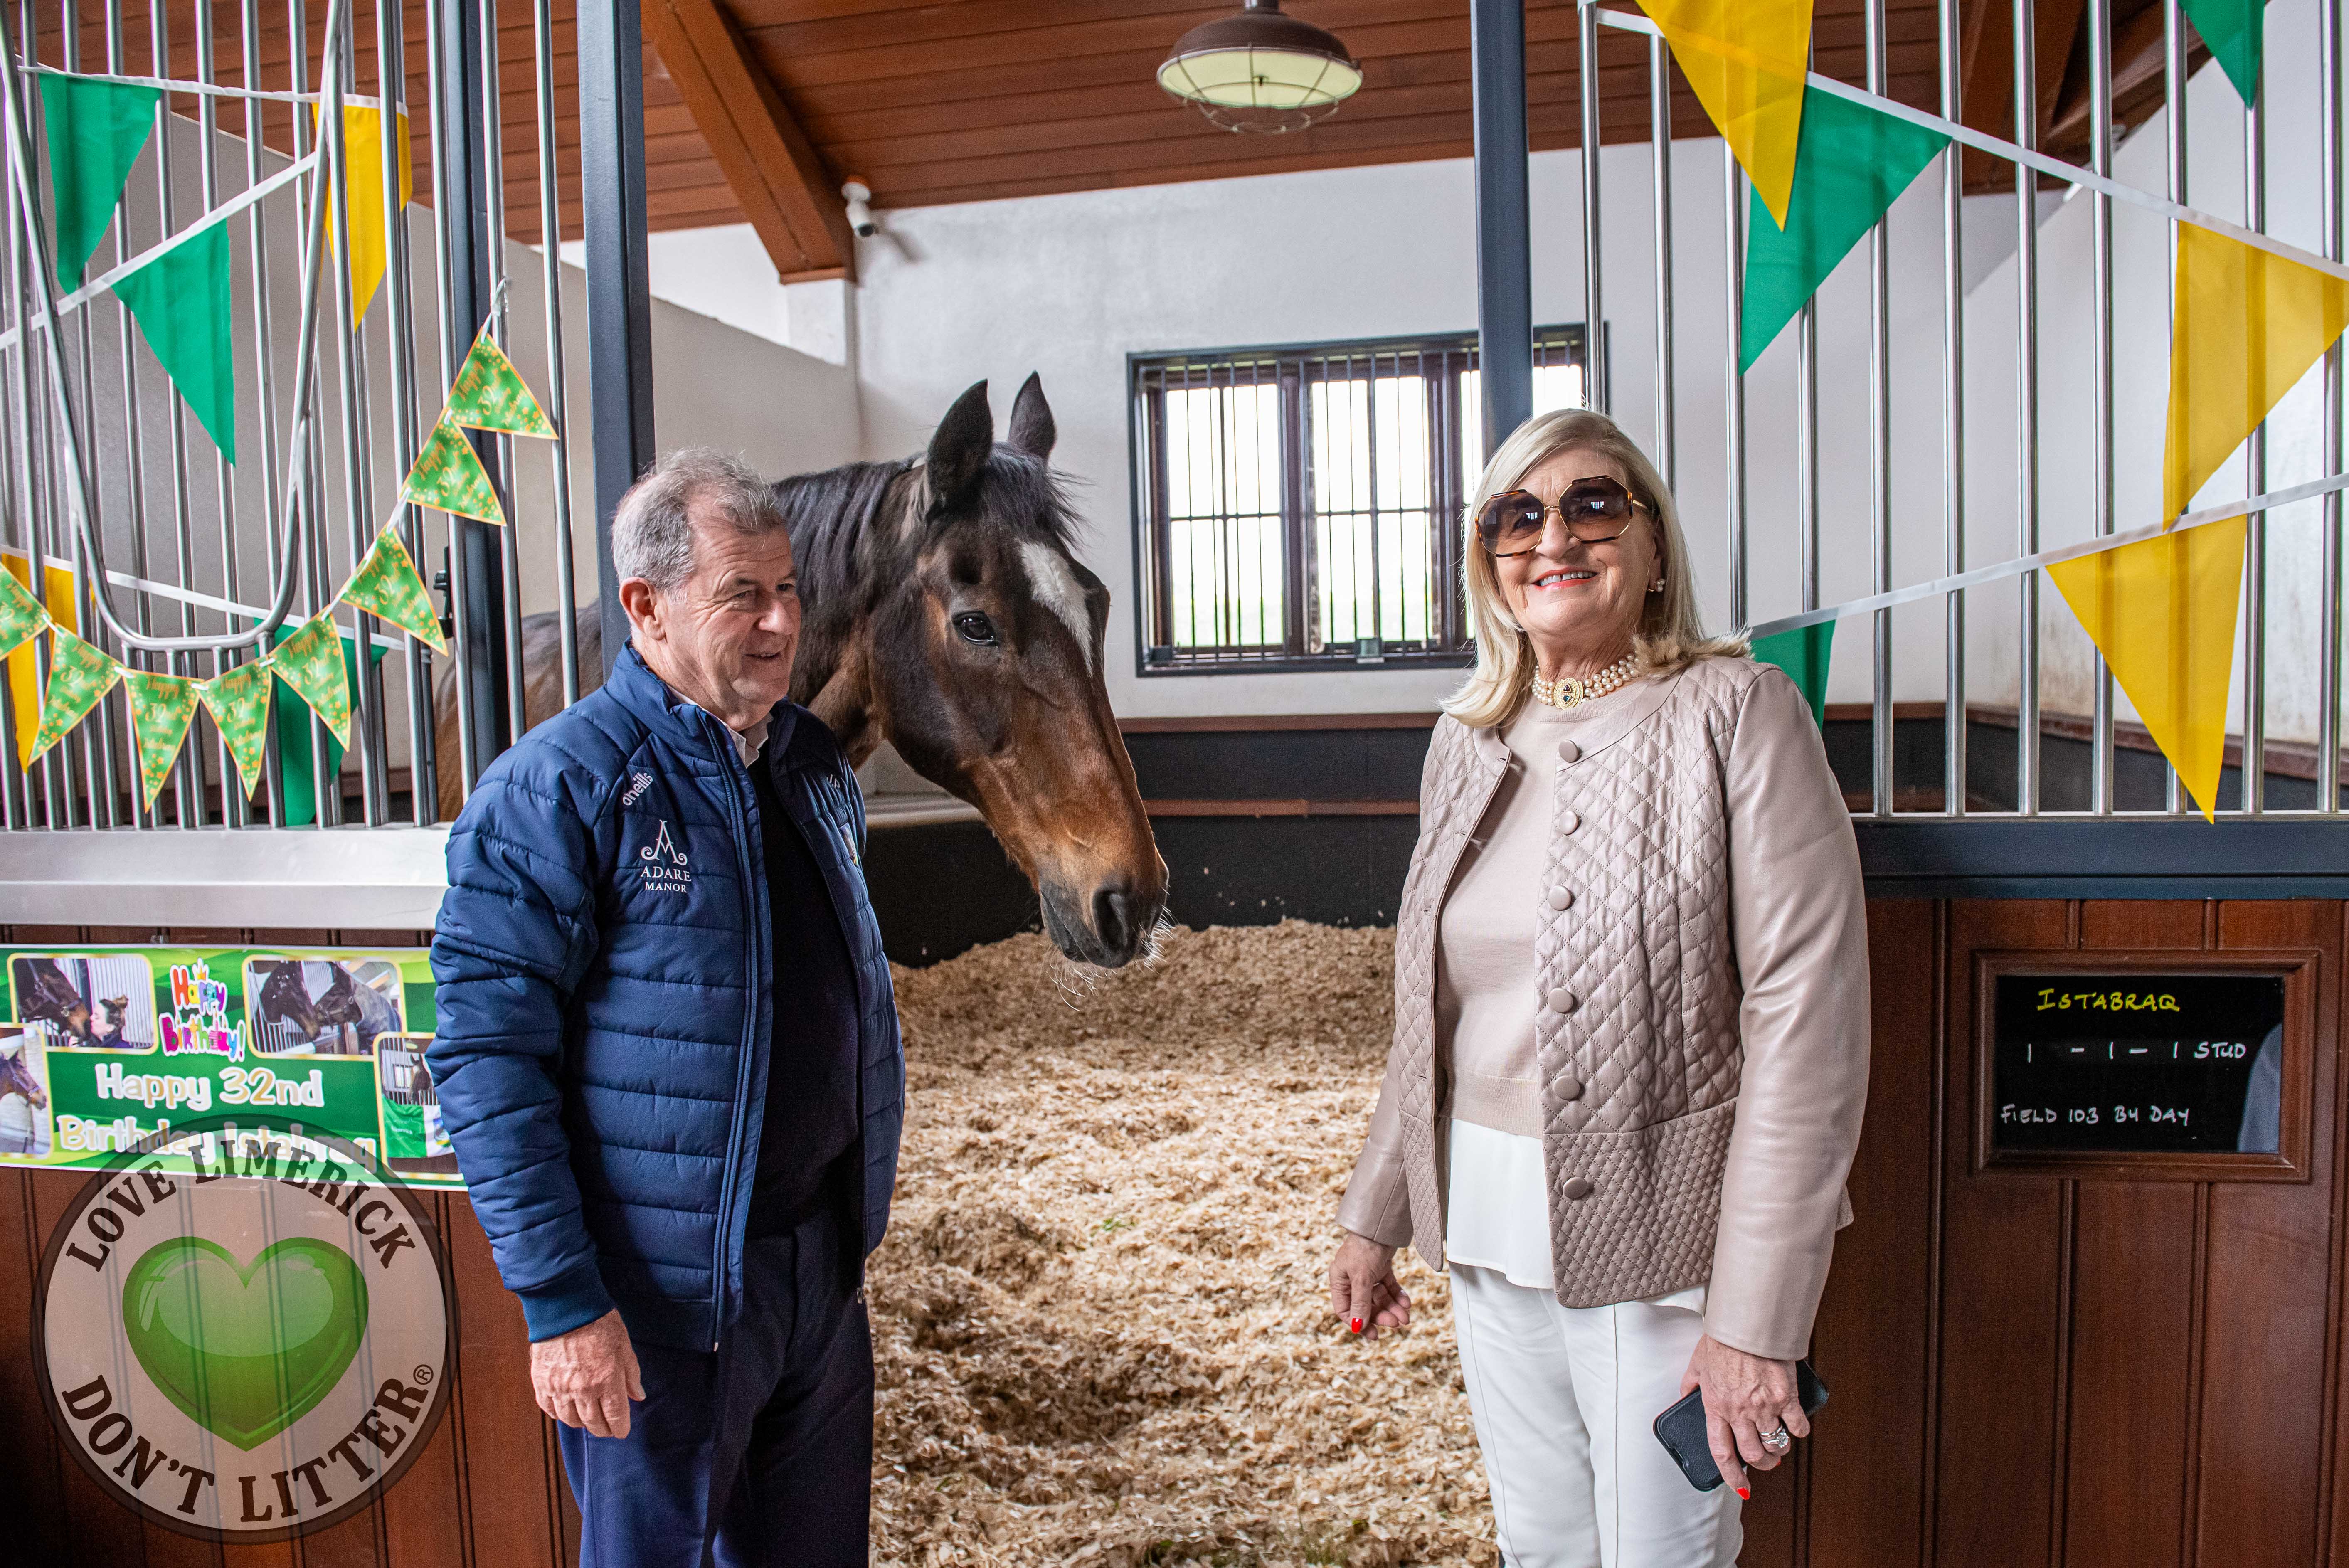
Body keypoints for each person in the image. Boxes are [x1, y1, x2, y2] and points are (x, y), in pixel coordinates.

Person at [1326, 409, 1869, 1568]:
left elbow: (1806, 1026)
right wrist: (1374, 1211)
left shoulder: (1738, 714)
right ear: (1487, 559)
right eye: (1514, 515)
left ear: (1653, 544)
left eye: (1591, 503)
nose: (1551, 536)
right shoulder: (1465, 738)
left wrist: (1755, 1317)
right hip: (1482, 1220)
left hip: (1665, 1231)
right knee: (1541, 1542)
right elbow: (1430, 1011)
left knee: (1659, 1554)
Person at [429, 449, 903, 1567]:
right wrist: (561, 1304)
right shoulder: (559, 787)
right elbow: (487, 1064)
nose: (784, 621)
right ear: (644, 606)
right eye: (744, 593)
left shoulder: (808, 768)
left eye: (790, 589)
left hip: (814, 1277)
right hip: (657, 1306)